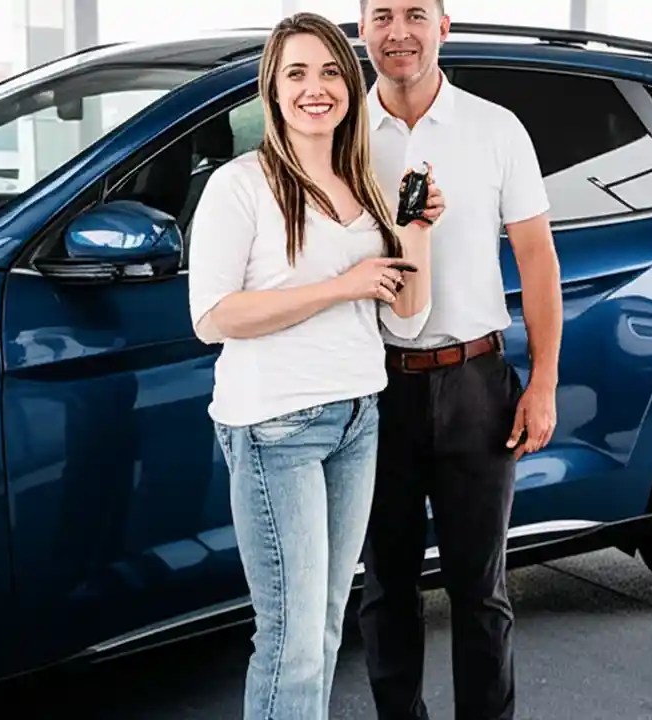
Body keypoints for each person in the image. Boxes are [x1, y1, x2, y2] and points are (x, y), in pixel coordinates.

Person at [187, 11, 444, 720]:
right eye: (296, 73)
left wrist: (417, 231)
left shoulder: (365, 184)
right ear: (272, 90)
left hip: (358, 418)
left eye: (331, 71)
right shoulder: (241, 186)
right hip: (276, 428)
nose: (315, 88)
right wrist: (341, 285)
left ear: (350, 87)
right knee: (292, 639)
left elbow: (406, 315)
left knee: (327, 625)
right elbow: (212, 317)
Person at [355, 1, 565, 718]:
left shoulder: (495, 128)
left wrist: (543, 381)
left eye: (416, 13)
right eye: (382, 15)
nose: (399, 32)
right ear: (362, 28)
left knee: (480, 591)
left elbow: (537, 259)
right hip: (373, 385)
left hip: (476, 382)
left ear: (444, 26)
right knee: (385, 587)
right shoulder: (343, 134)